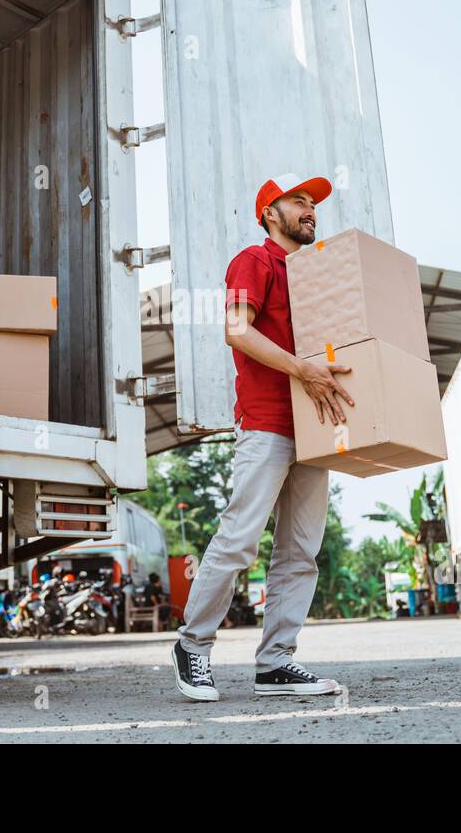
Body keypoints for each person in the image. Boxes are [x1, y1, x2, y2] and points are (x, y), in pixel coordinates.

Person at [171, 172, 354, 702]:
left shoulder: (315, 276)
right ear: (270, 213)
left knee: (300, 551)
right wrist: (303, 370)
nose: (309, 209)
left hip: (314, 425)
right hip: (267, 422)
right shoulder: (254, 260)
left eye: (313, 203)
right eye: (298, 201)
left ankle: (275, 662)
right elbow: (236, 330)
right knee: (239, 540)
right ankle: (193, 645)